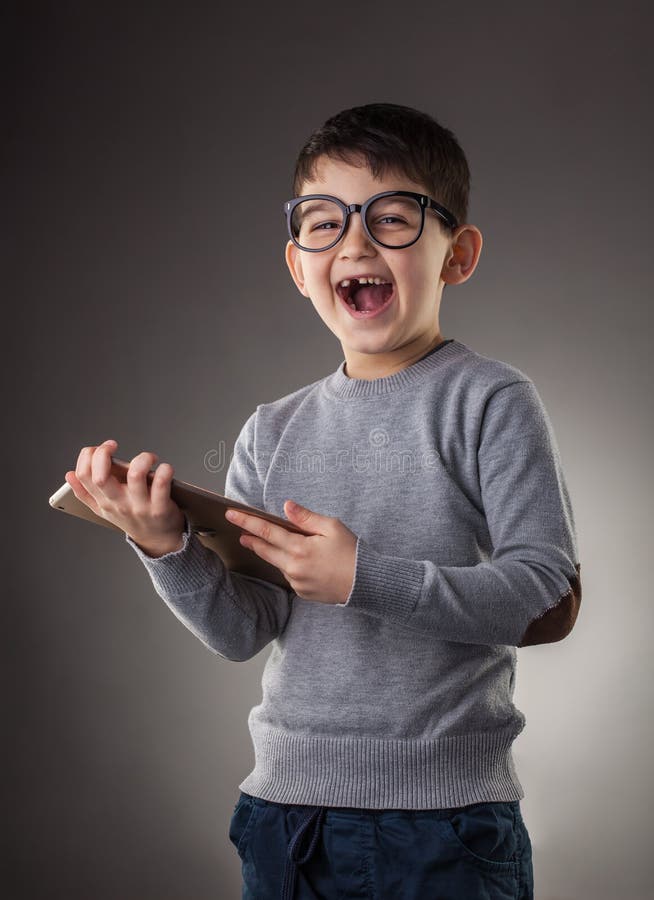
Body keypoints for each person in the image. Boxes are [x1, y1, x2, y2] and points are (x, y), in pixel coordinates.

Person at [65, 102, 582, 900]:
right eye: (323, 222)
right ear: (297, 265)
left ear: (459, 253)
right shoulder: (270, 430)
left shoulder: (491, 400)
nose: (354, 242)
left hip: (445, 825)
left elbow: (548, 595)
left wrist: (360, 577)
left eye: (394, 218)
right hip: (286, 819)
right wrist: (168, 549)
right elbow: (246, 631)